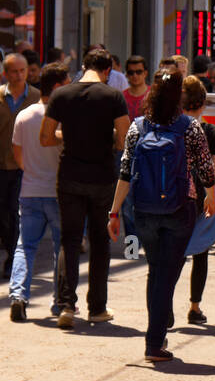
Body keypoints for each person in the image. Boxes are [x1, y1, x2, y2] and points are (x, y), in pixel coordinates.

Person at [109, 70, 215, 363]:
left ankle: (157, 331)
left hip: (144, 210)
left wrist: (114, 212)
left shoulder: (139, 127)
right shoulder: (190, 127)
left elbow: (125, 171)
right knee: (167, 274)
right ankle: (154, 342)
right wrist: (211, 195)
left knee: (156, 270)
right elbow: (206, 169)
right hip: (180, 208)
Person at [41, 50, 129, 327]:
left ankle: (67, 305)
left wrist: (68, 135)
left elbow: (45, 137)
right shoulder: (113, 96)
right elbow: (124, 138)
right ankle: (97, 308)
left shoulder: (61, 95)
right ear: (107, 71)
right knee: (100, 243)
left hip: (69, 177)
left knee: (69, 240)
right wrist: (108, 140)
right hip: (102, 178)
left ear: (83, 67)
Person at [8, 63, 70, 320]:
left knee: (25, 246)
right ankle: (59, 302)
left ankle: (18, 296)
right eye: (66, 83)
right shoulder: (64, 118)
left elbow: (18, 155)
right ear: (56, 87)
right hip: (58, 193)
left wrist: (32, 170)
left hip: (30, 190)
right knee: (61, 248)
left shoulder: (24, 115)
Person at [180, 75, 215, 324]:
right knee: (201, 254)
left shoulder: (171, 129)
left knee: (174, 256)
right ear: (203, 104)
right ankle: (195, 307)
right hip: (205, 198)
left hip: (175, 197)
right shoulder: (210, 132)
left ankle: (163, 308)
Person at [0, 53, 41, 278]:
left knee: (15, 214)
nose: (18, 76)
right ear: (5, 74)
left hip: (24, 166)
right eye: (13, 71)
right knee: (3, 215)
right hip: (1, 164)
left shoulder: (36, 98)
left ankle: (131, 252)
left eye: (22, 71)